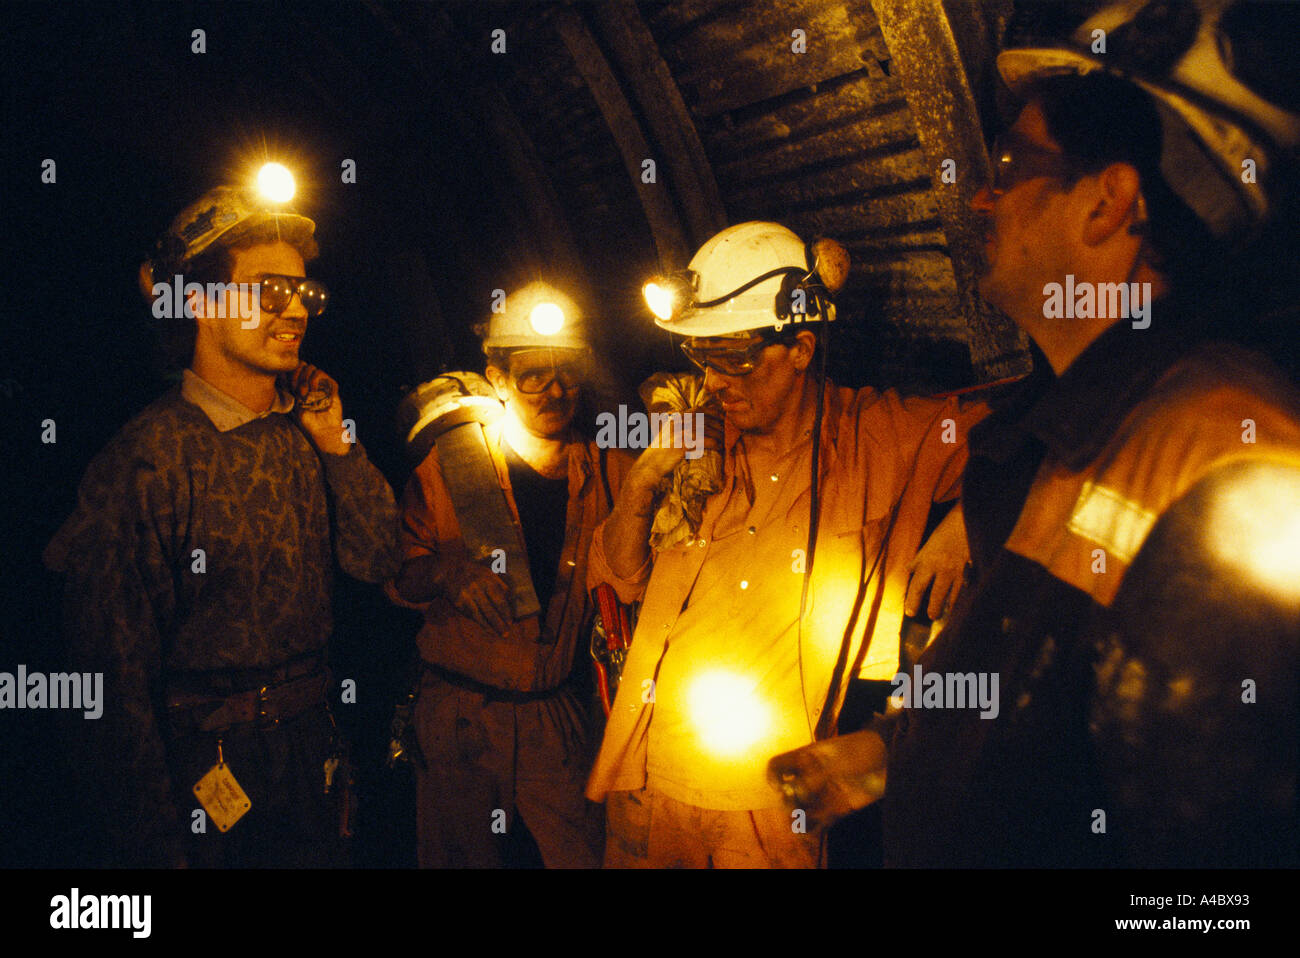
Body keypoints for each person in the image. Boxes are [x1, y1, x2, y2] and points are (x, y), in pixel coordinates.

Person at [771, 0, 1300, 867]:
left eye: (1013, 164)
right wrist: (893, 752)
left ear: (1107, 203)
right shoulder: (1075, 437)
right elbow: (1041, 691)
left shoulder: (1229, 464)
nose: (985, 194)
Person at [588, 221, 987, 868]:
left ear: (801, 348)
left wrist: (966, 523)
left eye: (736, 356)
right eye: (701, 354)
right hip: (645, 777)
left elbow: (1034, 439)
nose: (716, 380)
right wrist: (638, 486)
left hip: (773, 802)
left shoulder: (877, 437)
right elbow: (621, 579)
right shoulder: (694, 444)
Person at [44, 179, 400, 867]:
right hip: (207, 767)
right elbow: (110, 689)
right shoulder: (146, 462)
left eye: (305, 293)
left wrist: (337, 442)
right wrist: (156, 847)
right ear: (201, 302)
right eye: (270, 291)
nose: (296, 310)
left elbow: (378, 559)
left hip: (313, 750)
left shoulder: (302, 432)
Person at [388, 281, 633, 868]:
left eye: (566, 371)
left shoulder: (606, 467)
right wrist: (447, 571)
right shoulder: (452, 466)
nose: (554, 390)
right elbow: (396, 579)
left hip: (558, 710)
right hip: (463, 714)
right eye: (532, 374)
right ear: (496, 377)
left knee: (584, 855)